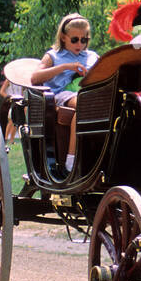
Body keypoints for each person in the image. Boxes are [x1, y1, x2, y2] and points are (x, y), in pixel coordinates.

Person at [30, 14, 100, 173]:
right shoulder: (53, 55)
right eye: (74, 39)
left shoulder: (92, 56)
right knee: (84, 104)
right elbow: (34, 77)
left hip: (89, 93)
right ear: (63, 37)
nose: (80, 44)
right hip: (63, 94)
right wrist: (65, 67)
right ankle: (70, 160)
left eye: (84, 39)